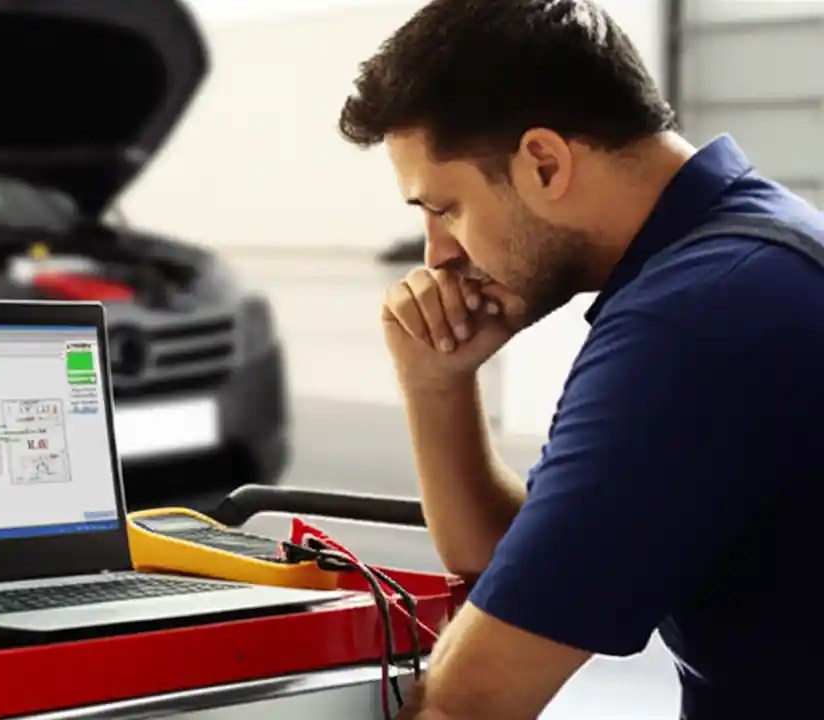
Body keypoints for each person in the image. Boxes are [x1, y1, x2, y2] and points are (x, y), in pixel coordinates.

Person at [336, 1, 824, 718]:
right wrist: (436, 383)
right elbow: (524, 569)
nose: (437, 254)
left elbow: (471, 701)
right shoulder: (752, 254)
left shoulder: (691, 322)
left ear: (543, 161)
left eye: (445, 208)